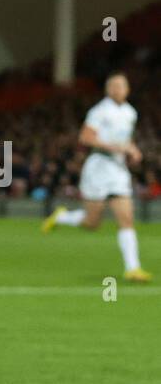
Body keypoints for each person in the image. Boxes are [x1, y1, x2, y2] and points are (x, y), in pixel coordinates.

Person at [43, 73, 150, 282]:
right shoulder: (100, 111)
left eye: (122, 86)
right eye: (115, 86)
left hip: (118, 170)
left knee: (126, 218)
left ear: (128, 89)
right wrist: (114, 147)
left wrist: (133, 150)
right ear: (108, 90)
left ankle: (133, 268)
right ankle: (62, 216)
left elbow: (125, 139)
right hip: (98, 167)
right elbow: (85, 136)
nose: (119, 89)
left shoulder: (130, 112)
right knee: (92, 223)